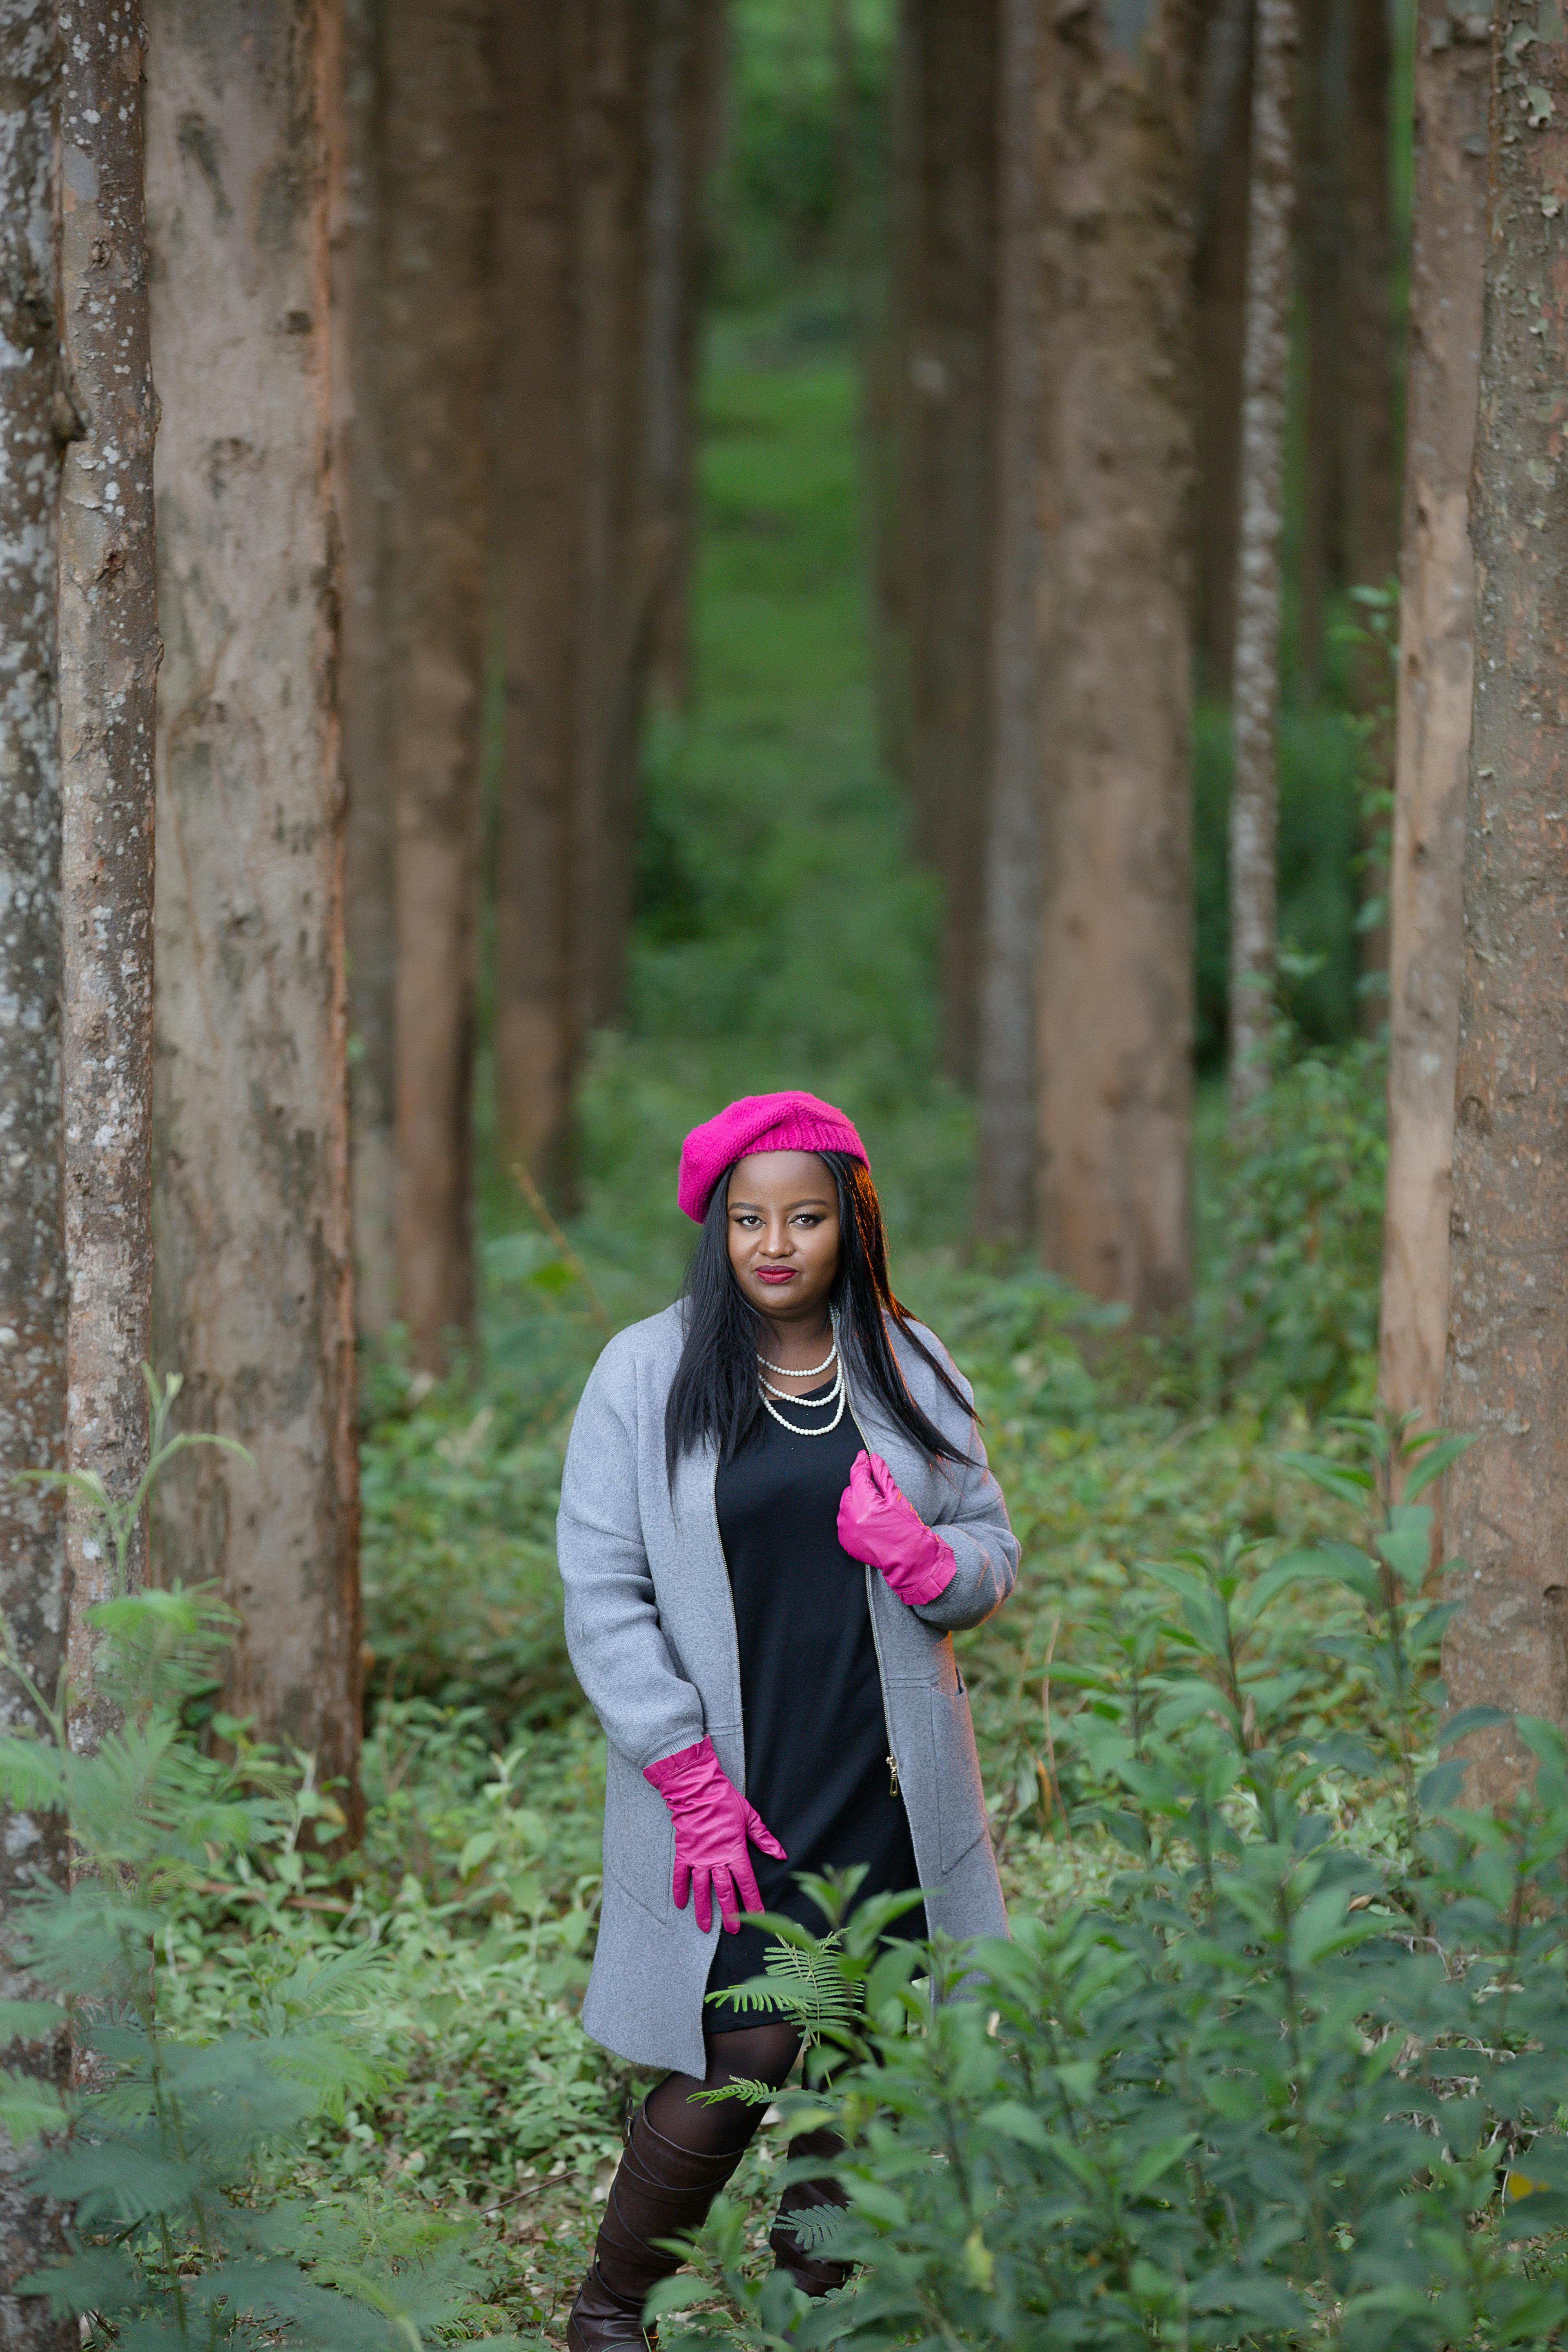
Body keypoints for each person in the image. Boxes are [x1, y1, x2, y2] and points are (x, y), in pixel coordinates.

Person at [557, 1090, 1018, 2351]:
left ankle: (817, 2300)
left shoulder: (910, 1363)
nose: (776, 1245)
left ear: (847, 1225)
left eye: (804, 1218)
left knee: (872, 2042)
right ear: (717, 1230)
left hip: (886, 1773)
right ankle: (608, 2315)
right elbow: (602, 1591)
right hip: (737, 1782)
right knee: (744, 2044)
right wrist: (681, 1770)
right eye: (750, 1220)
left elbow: (990, 1544)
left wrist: (926, 1559)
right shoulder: (645, 1374)